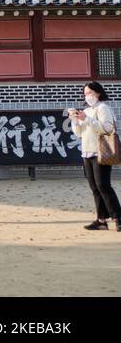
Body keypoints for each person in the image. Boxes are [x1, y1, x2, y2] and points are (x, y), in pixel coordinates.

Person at [69, 81, 119, 231]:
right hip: (87, 152)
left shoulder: (103, 108)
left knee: (103, 185)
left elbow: (107, 128)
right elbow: (79, 134)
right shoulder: (87, 110)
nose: (87, 96)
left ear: (98, 93)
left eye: (90, 93)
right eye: (85, 94)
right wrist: (75, 120)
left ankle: (118, 217)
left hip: (100, 152)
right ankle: (101, 219)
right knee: (95, 187)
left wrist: (88, 120)